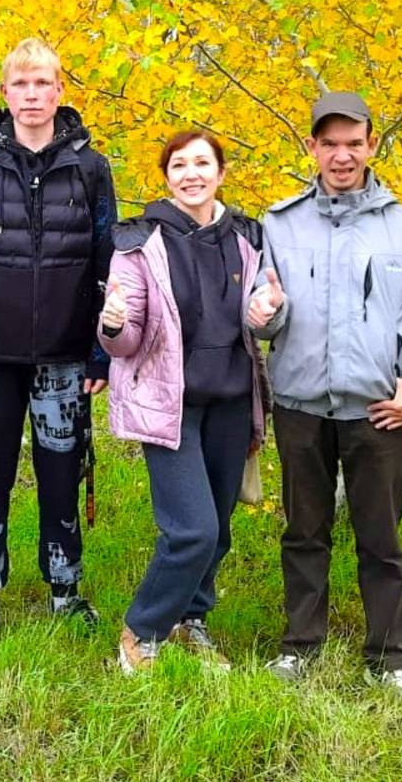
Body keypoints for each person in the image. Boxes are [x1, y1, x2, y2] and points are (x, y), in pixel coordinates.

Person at [248, 91, 402, 693]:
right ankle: (299, 646)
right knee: (303, 532)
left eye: (353, 144)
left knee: (382, 538)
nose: (341, 156)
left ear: (372, 146)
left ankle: (390, 657)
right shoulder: (279, 224)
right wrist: (262, 314)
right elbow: (256, 312)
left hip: (382, 410)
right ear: (312, 148)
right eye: (330, 144)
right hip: (299, 404)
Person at [0, 38, 117, 648]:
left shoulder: (90, 166)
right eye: (22, 85)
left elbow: (106, 262)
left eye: (43, 84)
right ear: (5, 94)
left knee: (62, 472)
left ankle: (65, 588)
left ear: (60, 90)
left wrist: (101, 351)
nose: (33, 95)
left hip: (67, 356)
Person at [100, 131, 269, 674]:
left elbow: (262, 314)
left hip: (232, 401)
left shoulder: (248, 238)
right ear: (166, 176)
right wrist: (113, 324)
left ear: (220, 172)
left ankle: (191, 619)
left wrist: (269, 313)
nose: (191, 173)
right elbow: (126, 342)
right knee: (191, 529)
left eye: (202, 163)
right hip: (168, 405)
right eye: (179, 165)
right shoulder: (140, 241)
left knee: (217, 529)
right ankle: (142, 630)